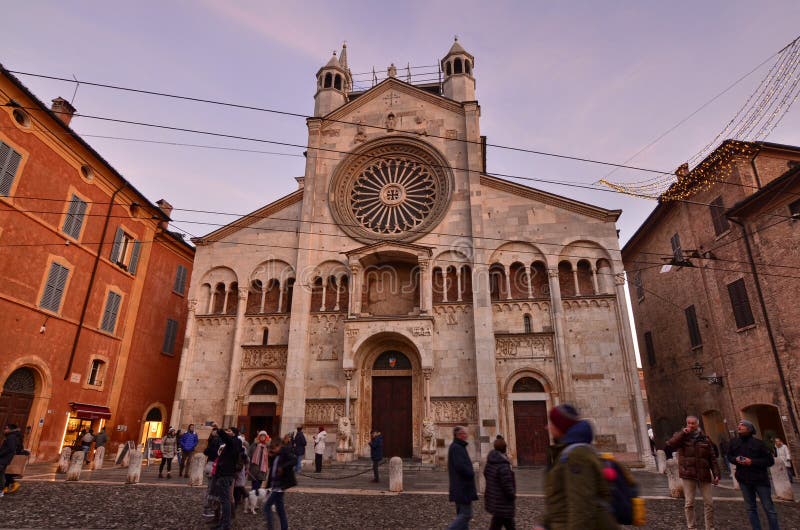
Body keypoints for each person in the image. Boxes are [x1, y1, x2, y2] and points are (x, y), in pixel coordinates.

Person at [534, 404, 617, 530]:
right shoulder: (564, 452)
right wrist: (545, 523)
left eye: (551, 423)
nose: (547, 427)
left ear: (561, 426)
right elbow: (561, 498)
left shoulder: (577, 455)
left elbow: (581, 506)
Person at [667, 416, 720, 530]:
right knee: (689, 503)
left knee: (709, 503)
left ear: (697, 424)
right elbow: (671, 444)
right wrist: (682, 433)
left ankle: (709, 527)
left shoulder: (705, 438)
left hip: (704, 473)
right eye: (689, 423)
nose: (691, 425)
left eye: (693, 423)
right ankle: (691, 527)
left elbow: (712, 458)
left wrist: (716, 474)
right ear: (686, 424)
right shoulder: (681, 437)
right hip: (688, 474)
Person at [728, 420, 780, 530]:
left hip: (760, 480)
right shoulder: (734, 443)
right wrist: (735, 459)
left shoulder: (759, 444)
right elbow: (729, 456)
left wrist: (752, 462)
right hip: (744, 480)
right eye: (739, 425)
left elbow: (769, 461)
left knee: (769, 508)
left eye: (742, 425)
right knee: (750, 508)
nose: (739, 427)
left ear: (749, 429)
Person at [447, 425, 478, 530]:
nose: (466, 435)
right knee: (466, 515)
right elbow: (460, 466)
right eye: (464, 433)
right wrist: (471, 473)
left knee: (462, 515)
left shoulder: (457, 446)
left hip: (460, 487)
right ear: (458, 435)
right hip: (462, 487)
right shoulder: (457, 447)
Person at [211, 426, 243, 530]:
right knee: (224, 500)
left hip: (226, 474)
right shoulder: (232, 443)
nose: (227, 432)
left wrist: (219, 429)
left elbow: (226, 438)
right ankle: (222, 523)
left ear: (233, 433)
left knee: (225, 501)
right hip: (224, 474)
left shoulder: (235, 442)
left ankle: (226, 525)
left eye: (229, 431)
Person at [263, 436, 297, 530]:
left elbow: (294, 460)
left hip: (280, 485)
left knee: (267, 507)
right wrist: (270, 456)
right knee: (280, 510)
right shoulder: (276, 455)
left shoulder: (285, 452)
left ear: (279, 446)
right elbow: (272, 469)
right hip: (275, 485)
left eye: (274, 448)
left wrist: (283, 467)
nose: (273, 450)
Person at [484, 437, 516, 530]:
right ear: (505, 448)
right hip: (503, 502)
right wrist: (512, 495)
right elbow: (506, 484)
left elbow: (486, 475)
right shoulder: (503, 464)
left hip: (495, 499)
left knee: (498, 523)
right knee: (507, 524)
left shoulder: (490, 461)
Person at [0, 424, 23, 496]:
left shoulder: (11, 437)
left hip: (3, 459)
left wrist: (1, 454)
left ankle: (2, 490)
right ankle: (3, 489)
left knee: (2, 475)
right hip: (5, 459)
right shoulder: (12, 436)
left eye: (6, 428)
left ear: (10, 429)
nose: (4, 430)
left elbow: (11, 448)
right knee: (2, 474)